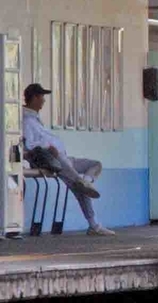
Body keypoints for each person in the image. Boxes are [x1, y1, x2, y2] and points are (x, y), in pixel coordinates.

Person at [20, 84, 115, 236]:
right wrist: (47, 147)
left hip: (64, 158)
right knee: (78, 186)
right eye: (42, 97)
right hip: (51, 160)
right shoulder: (26, 121)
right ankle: (94, 223)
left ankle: (85, 181)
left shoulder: (35, 119)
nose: (44, 101)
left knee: (95, 165)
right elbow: (30, 145)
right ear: (34, 98)